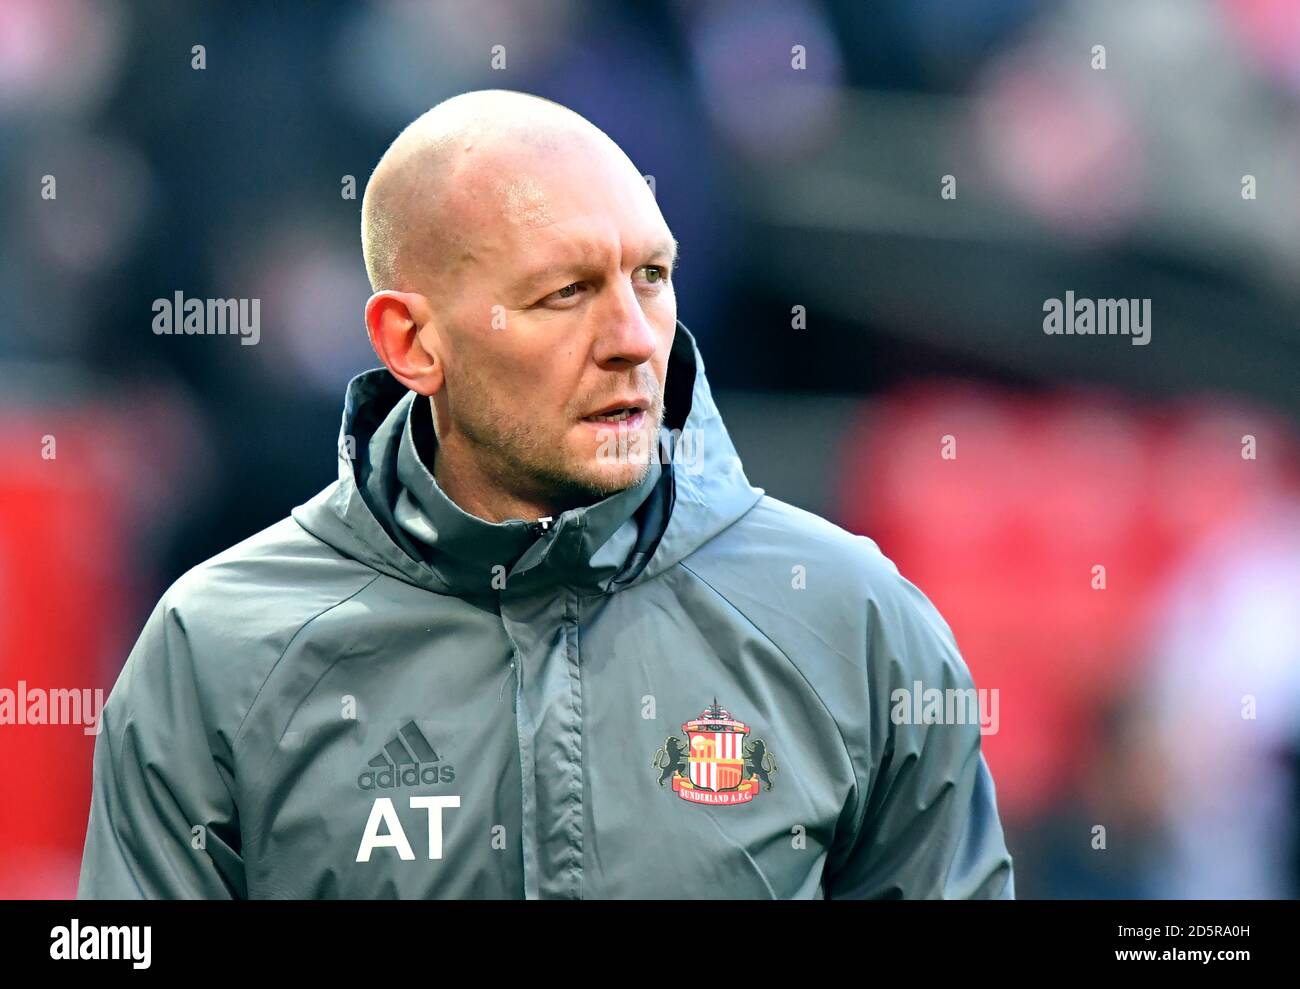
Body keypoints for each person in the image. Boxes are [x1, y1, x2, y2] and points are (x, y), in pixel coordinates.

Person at [77, 89, 1014, 899]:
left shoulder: (853, 622)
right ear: (411, 343)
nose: (633, 338)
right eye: (565, 292)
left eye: (651, 276)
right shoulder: (218, 653)